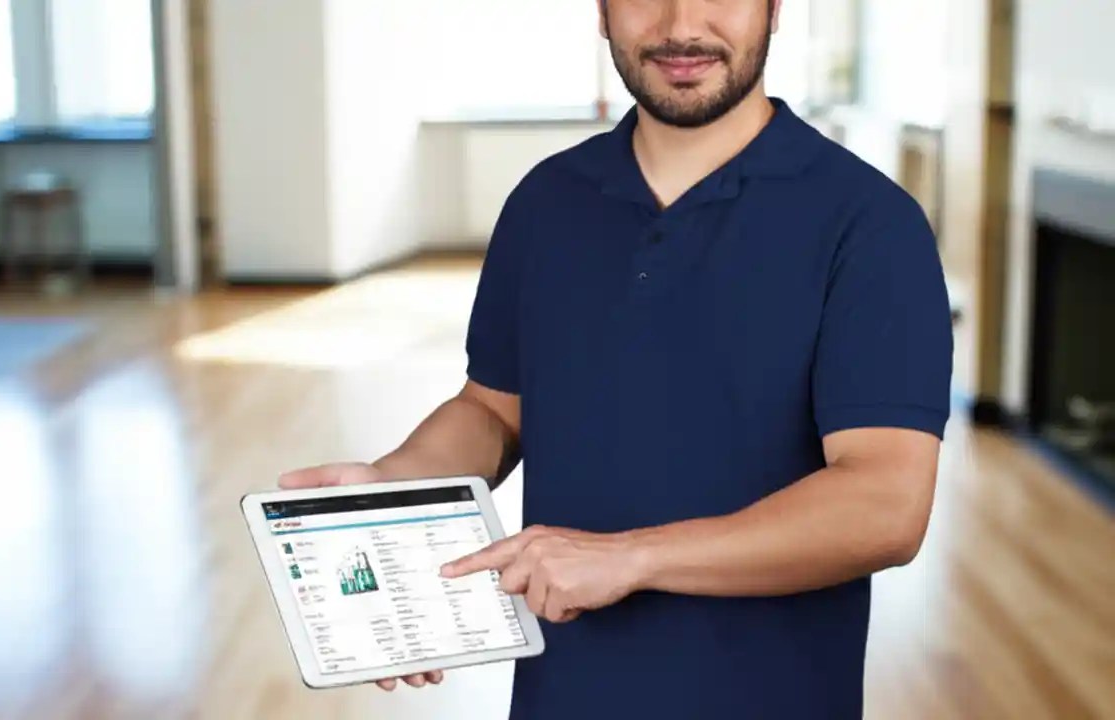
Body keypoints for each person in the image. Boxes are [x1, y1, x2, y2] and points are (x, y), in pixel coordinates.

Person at [279, 0, 953, 716]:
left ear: (775, 8)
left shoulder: (871, 225)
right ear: (601, 11)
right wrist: (394, 483)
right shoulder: (545, 202)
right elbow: (493, 411)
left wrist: (633, 558)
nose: (680, 23)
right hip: (563, 696)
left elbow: (885, 504)